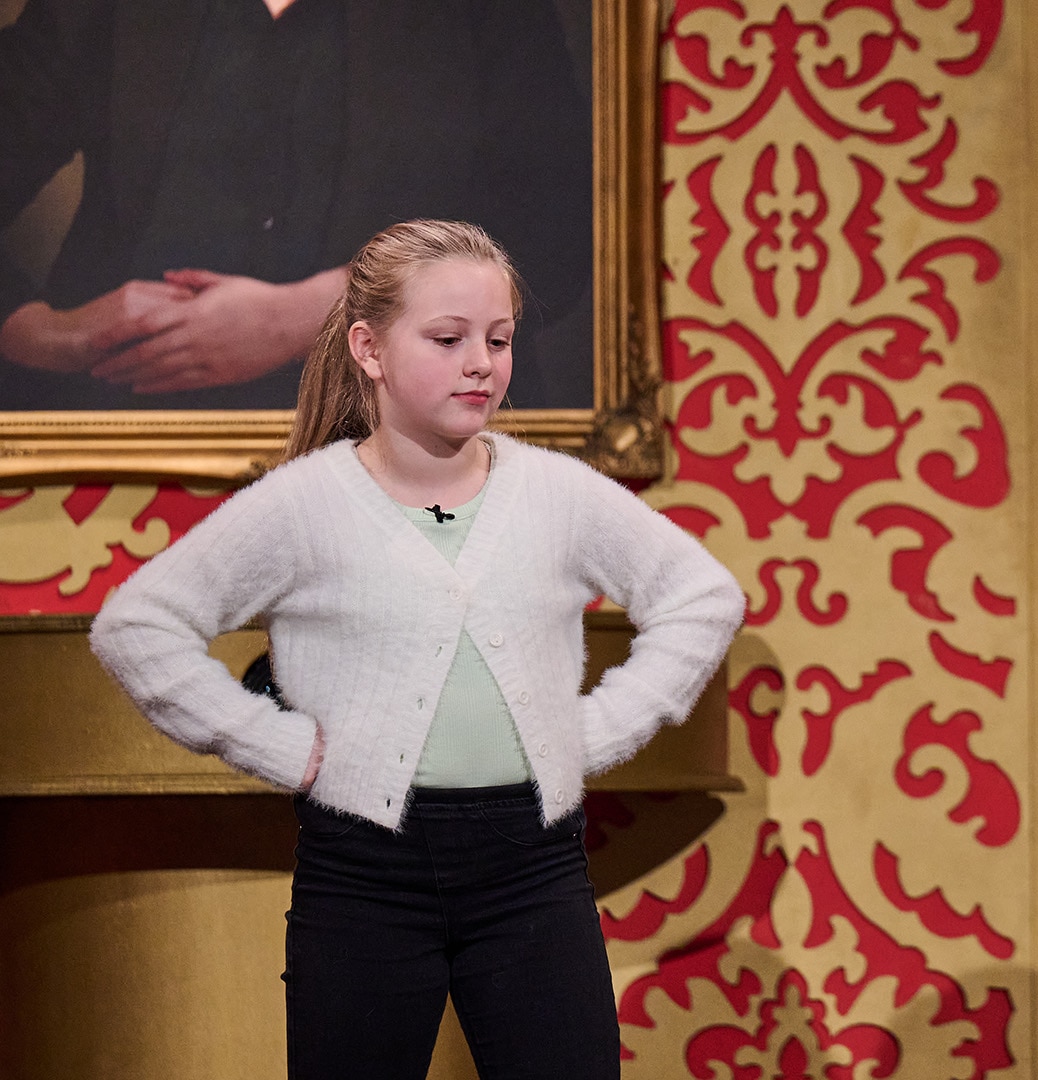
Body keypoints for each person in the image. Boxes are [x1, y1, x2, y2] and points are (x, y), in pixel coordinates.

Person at [89, 220, 745, 1079]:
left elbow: (703, 596)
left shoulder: (555, 492)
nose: (481, 364)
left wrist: (599, 729)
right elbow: (136, 625)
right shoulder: (305, 504)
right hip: (362, 876)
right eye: (448, 339)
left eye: (499, 340)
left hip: (534, 871)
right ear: (369, 348)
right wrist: (274, 743)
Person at [0, 0, 591, 410]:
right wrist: (43, 334)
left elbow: (554, 238)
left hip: (409, 448)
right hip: (119, 447)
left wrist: (305, 318)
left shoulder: (486, 12)